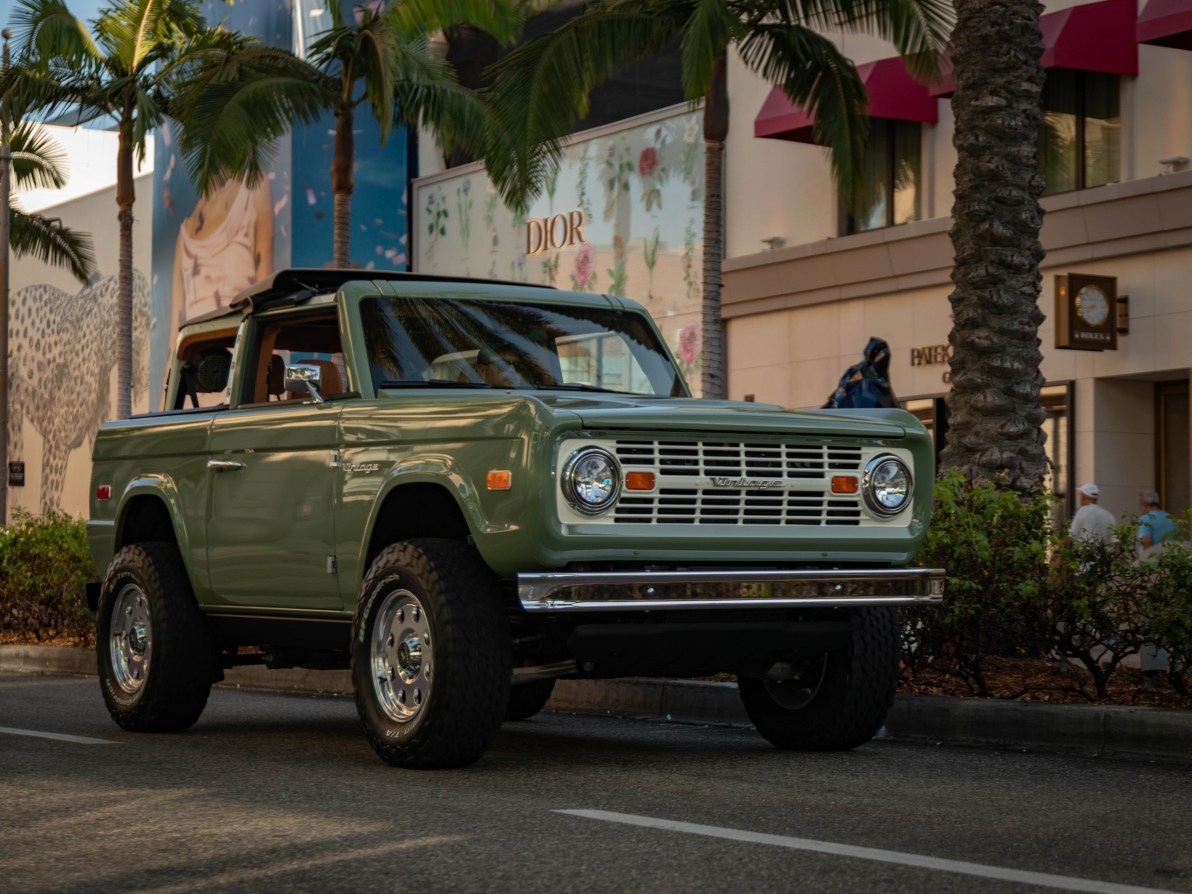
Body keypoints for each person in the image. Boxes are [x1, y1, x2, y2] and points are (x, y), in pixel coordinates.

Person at [171, 175, 274, 331]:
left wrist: (269, 354)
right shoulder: (183, 237)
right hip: (196, 351)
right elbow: (175, 337)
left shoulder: (253, 189)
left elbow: (266, 306)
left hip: (238, 347)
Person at [1137, 489, 1179, 554]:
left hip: (1154, 559)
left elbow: (1147, 541)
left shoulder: (1145, 519)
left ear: (1145, 505)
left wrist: (1147, 559)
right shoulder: (1171, 518)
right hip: (1171, 558)